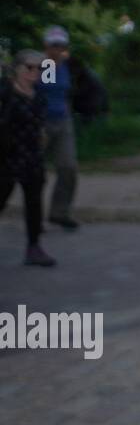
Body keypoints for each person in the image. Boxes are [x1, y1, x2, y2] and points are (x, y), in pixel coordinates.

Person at [0, 51, 56, 266]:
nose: (35, 72)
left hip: (32, 158)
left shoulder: (39, 97)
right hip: (6, 158)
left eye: (41, 68)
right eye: (30, 67)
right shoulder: (4, 93)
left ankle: (34, 248)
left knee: (34, 204)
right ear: (17, 68)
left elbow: (39, 126)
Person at [36, 26, 83, 230]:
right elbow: (43, 92)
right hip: (42, 121)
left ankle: (60, 211)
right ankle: (34, 217)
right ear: (46, 45)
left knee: (68, 166)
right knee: (35, 172)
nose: (58, 49)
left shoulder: (67, 66)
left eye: (61, 45)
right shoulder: (42, 65)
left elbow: (68, 93)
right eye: (54, 45)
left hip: (63, 120)